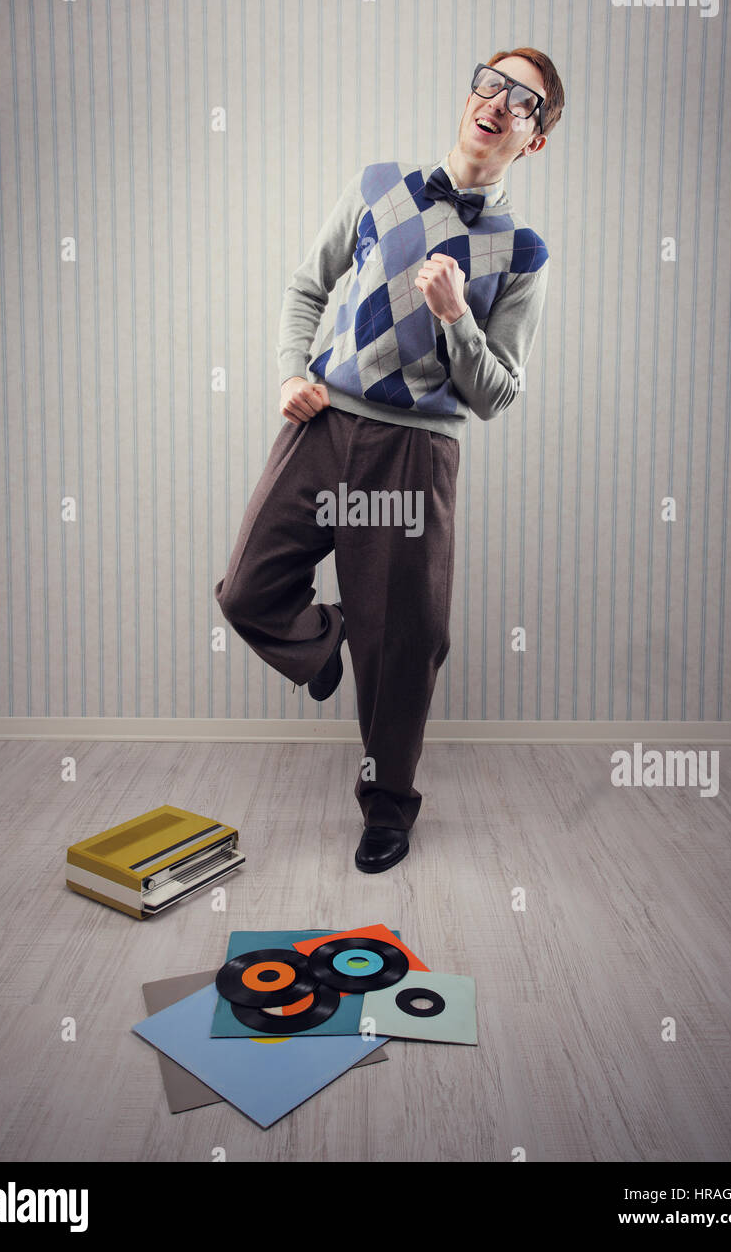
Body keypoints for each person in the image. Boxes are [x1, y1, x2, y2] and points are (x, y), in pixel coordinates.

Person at [215, 47, 565, 873]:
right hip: (325, 424)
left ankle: (387, 809)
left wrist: (455, 317)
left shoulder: (524, 253)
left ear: (536, 137)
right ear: (470, 91)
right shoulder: (379, 185)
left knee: (406, 640)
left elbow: (497, 393)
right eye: (492, 81)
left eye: (525, 101)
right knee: (246, 592)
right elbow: (309, 284)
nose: (500, 101)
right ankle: (323, 642)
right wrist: (291, 371)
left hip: (417, 452)